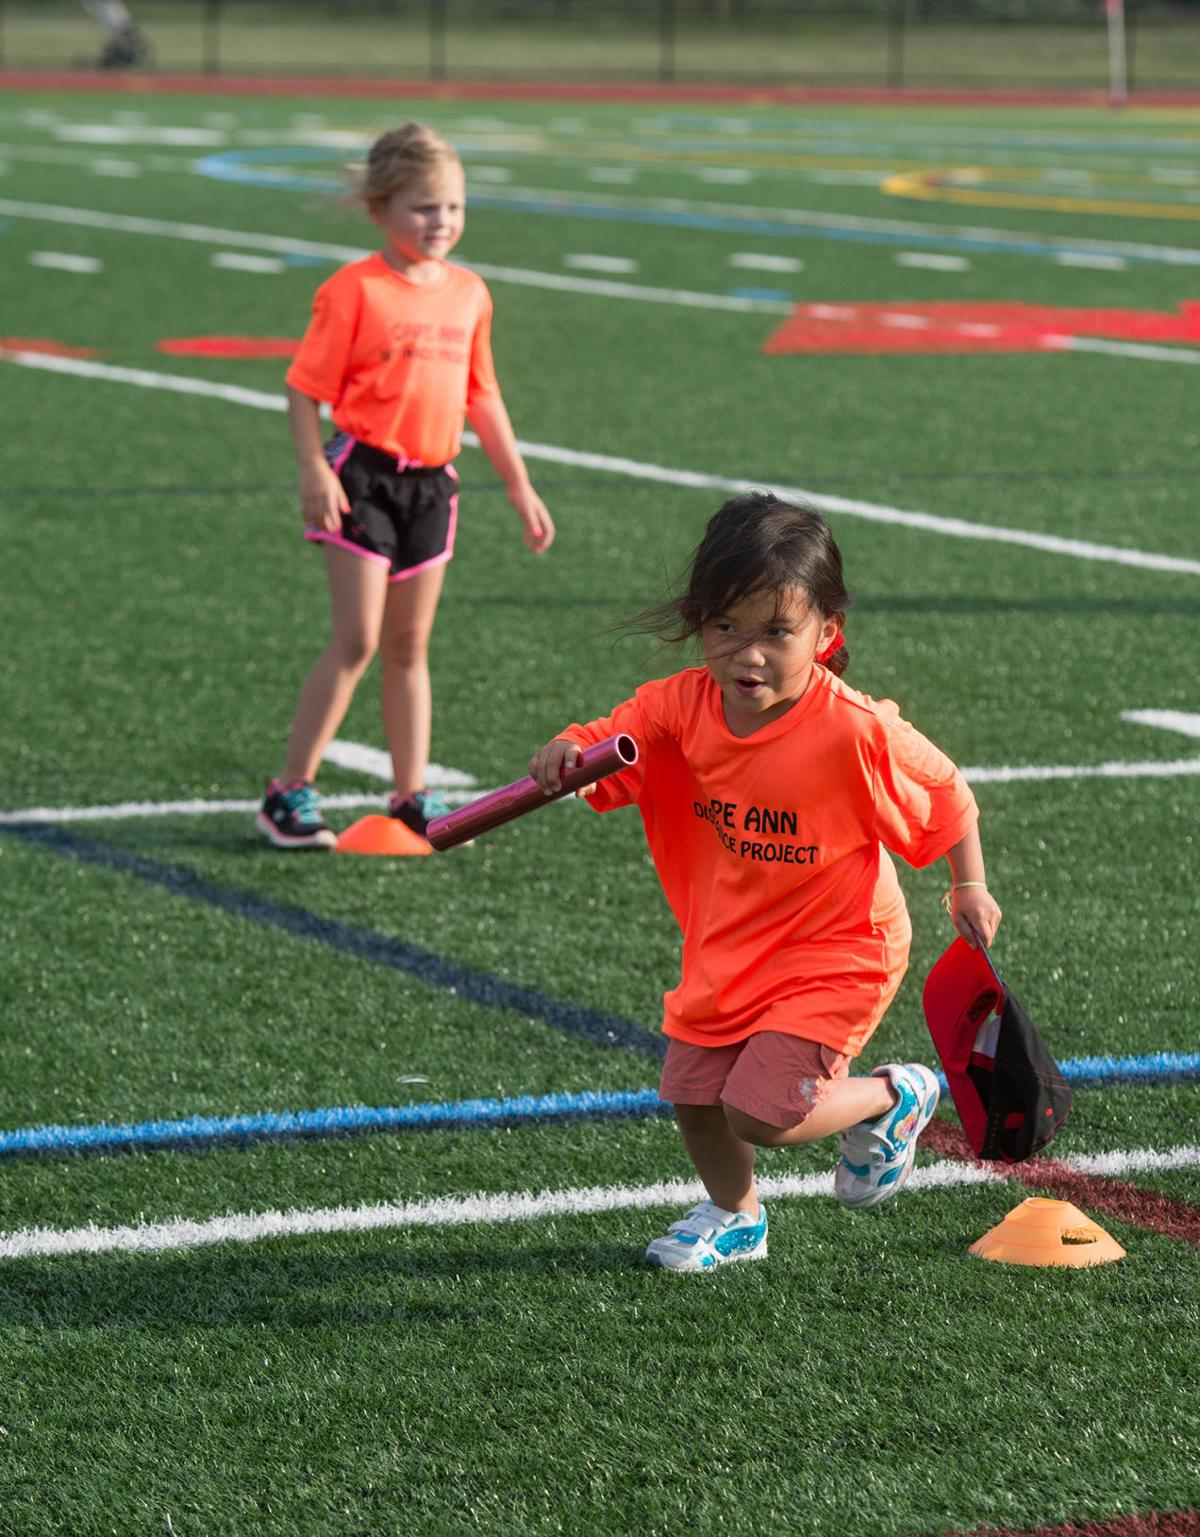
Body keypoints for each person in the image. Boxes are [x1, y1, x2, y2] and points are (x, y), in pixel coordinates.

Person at [529, 493, 1001, 1271]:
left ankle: (896, 1094)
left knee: (758, 1112)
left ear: (825, 633)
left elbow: (947, 788)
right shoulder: (680, 705)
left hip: (840, 945)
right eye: (726, 629)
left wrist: (968, 886)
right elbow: (615, 738)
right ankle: (737, 1216)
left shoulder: (852, 728)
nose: (748, 655)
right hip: (731, 939)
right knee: (692, 1091)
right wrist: (567, 753)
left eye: (777, 633)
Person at [258, 122, 554, 850]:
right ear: (380, 209)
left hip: (433, 486)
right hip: (361, 478)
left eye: (452, 207)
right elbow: (303, 390)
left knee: (410, 646)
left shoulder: (469, 293)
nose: (441, 223)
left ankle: (410, 796)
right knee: (356, 640)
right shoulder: (353, 290)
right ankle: (287, 791)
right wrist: (313, 469)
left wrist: (519, 485)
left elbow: (482, 396)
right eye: (424, 208)